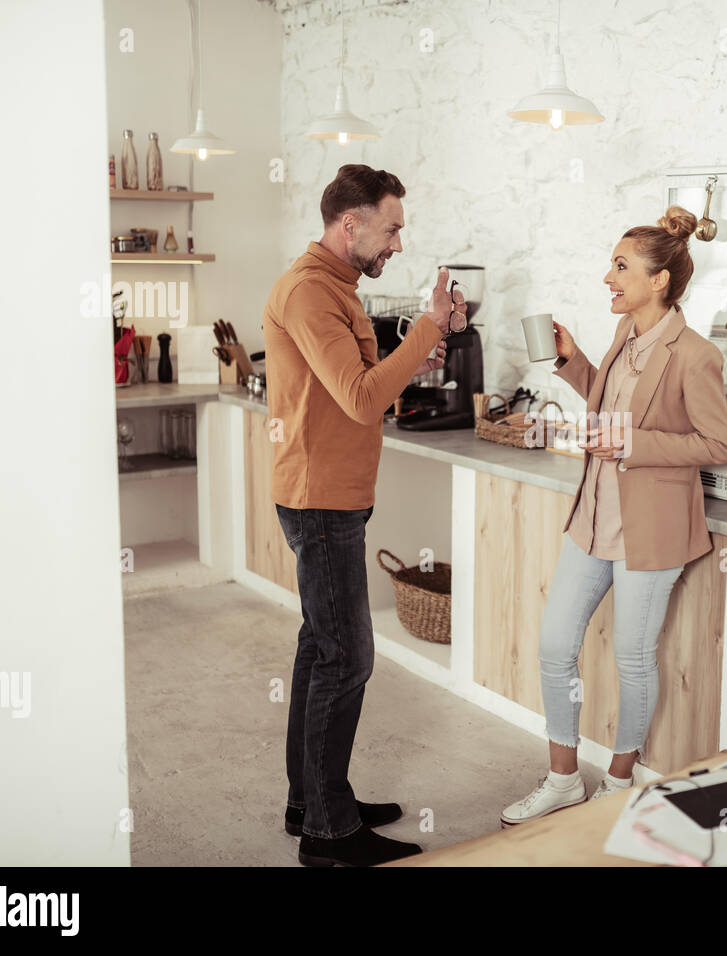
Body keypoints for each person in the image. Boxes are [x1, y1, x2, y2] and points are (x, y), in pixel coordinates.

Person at [500, 205, 727, 826]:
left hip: (648, 533)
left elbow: (716, 445)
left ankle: (620, 782)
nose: (609, 276)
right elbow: (613, 402)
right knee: (555, 645)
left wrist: (631, 443)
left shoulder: (696, 355)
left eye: (621, 265)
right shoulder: (625, 337)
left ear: (659, 280)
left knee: (632, 657)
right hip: (593, 519)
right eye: (612, 264)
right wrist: (574, 361)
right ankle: (561, 778)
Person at [263, 164, 465, 866]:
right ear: (350, 224)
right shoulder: (311, 291)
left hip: (331, 493)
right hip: (320, 498)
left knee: (321, 650)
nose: (397, 244)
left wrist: (423, 343)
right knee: (348, 658)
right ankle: (327, 833)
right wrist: (426, 331)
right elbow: (358, 397)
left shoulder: (336, 287)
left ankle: (314, 800)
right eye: (391, 228)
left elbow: (361, 384)